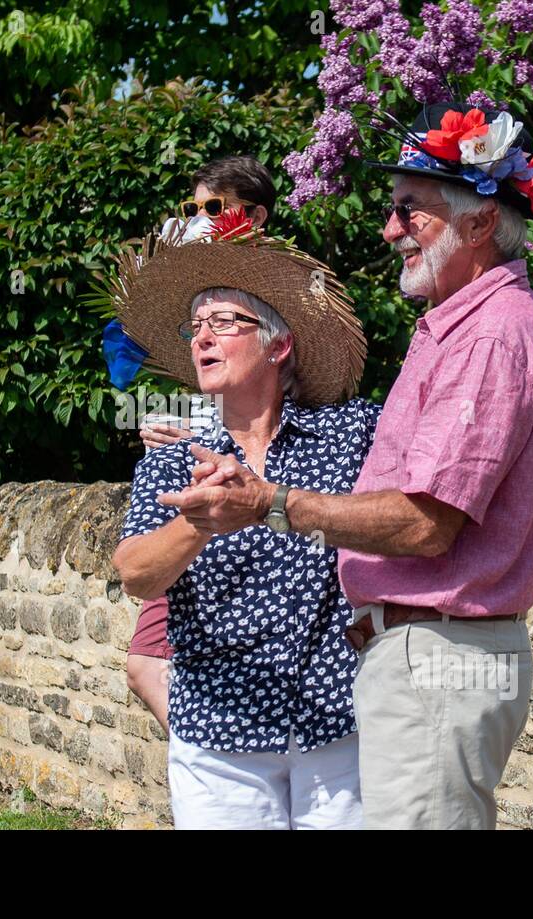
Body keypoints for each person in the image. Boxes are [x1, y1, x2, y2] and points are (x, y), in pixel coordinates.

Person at [161, 101, 533, 829]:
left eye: (411, 211)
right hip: (426, 653)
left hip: (439, 656)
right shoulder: (464, 326)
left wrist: (272, 503)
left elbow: (426, 522)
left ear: (478, 224)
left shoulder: (494, 335)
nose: (390, 229)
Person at [107, 212, 378, 829]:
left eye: (224, 322)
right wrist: (198, 525)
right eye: (196, 325)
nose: (202, 337)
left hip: (340, 726)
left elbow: (410, 505)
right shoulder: (174, 462)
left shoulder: (353, 432)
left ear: (279, 345)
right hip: (219, 740)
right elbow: (134, 574)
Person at [126, 154, 278, 732]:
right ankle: (208, 759)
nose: (201, 219)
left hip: (261, 475)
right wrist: (164, 420)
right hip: (197, 470)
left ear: (254, 214)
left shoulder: (284, 287)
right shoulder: (197, 284)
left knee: (153, 662)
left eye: (215, 207)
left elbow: (286, 389)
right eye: (194, 208)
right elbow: (199, 380)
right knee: (143, 662)